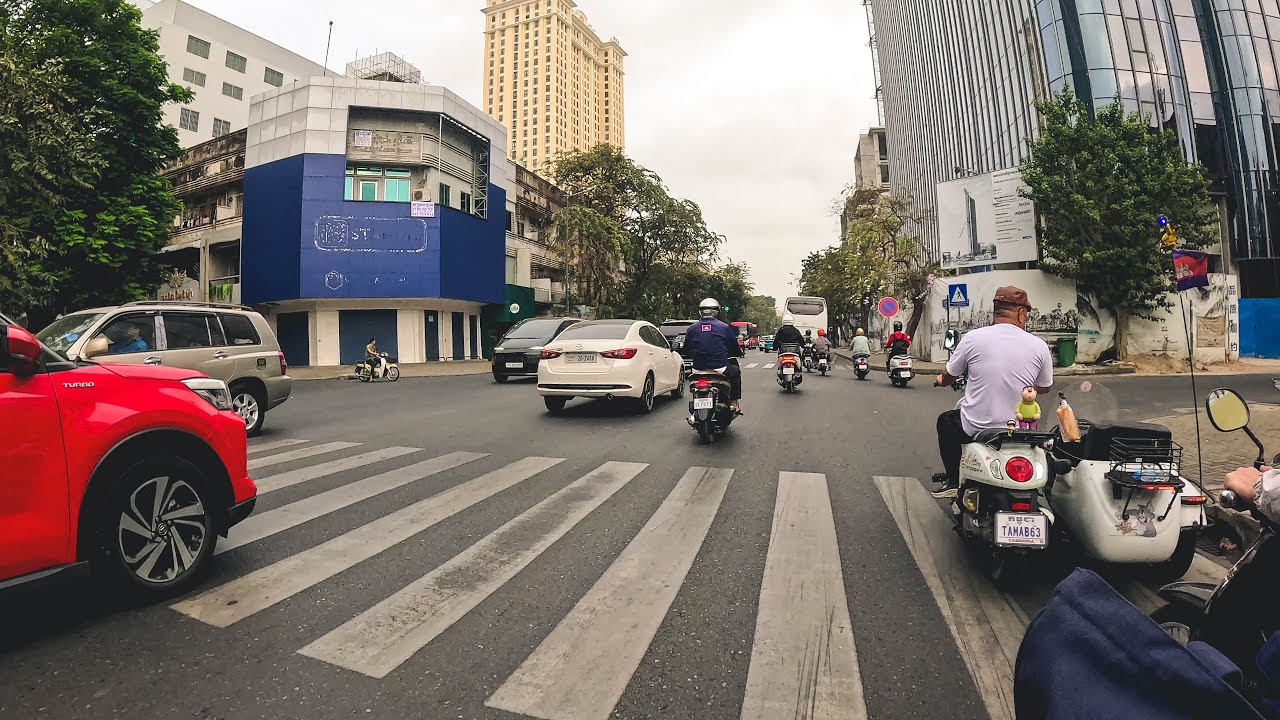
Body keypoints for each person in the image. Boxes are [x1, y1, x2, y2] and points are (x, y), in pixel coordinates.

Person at [932, 286, 1053, 498]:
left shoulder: (973, 338)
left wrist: (942, 380)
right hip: (1020, 428)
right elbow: (1044, 387)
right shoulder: (1039, 346)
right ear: (1021, 313)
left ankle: (953, 480)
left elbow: (949, 374)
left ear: (995, 311)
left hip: (976, 427)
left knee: (945, 422)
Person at [683, 298, 744, 413]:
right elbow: (733, 346)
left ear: (700, 311)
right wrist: (737, 352)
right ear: (717, 312)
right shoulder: (724, 327)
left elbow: (686, 349)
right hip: (719, 368)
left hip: (697, 369)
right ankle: (734, 402)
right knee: (735, 372)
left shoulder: (692, 329)